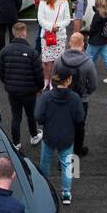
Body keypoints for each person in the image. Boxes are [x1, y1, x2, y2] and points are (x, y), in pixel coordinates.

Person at [35, 71, 85, 206]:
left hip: (49, 135)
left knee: (45, 162)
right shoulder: (75, 98)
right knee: (68, 165)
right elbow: (80, 119)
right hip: (67, 136)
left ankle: (45, 188)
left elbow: (39, 117)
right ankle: (66, 193)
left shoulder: (46, 97)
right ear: (68, 81)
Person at [0, 22, 42, 150]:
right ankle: (34, 136)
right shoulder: (32, 52)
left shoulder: (4, 51)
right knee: (30, 114)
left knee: (16, 116)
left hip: (13, 91)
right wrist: (39, 87)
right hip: (29, 92)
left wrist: (7, 83)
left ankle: (16, 143)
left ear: (13, 33)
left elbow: (0, 72)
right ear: (24, 33)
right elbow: (38, 74)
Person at [54, 32, 97, 156]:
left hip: (62, 98)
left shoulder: (59, 60)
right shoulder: (88, 62)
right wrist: (86, 93)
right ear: (83, 44)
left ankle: (63, 153)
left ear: (69, 43)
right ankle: (77, 150)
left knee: (63, 125)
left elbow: (54, 79)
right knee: (79, 125)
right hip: (81, 100)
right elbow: (93, 84)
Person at [37, 0, 70, 89]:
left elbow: (67, 19)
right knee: (47, 61)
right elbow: (40, 19)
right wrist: (51, 27)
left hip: (60, 36)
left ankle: (53, 82)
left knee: (57, 62)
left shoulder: (64, 2)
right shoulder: (43, 3)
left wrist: (58, 27)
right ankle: (46, 80)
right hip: (46, 36)